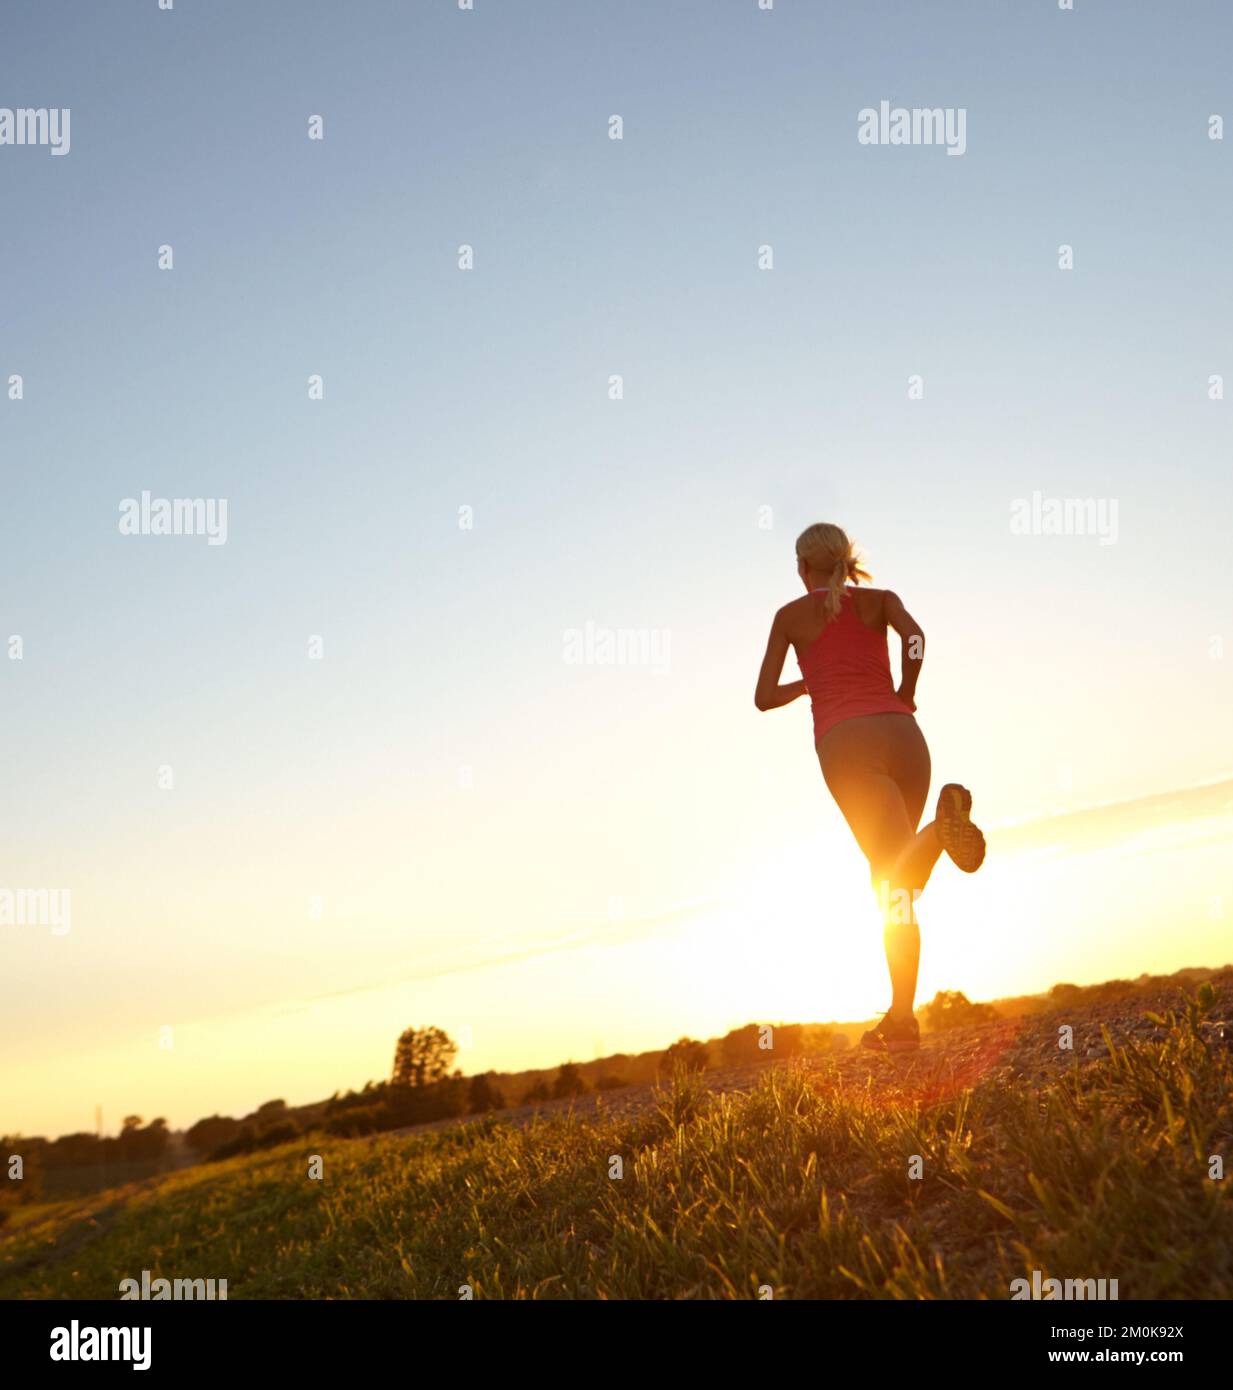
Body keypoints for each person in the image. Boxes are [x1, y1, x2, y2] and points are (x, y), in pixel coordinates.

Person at [753, 522, 985, 1052]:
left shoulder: (789, 617)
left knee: (894, 882)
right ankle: (901, 1021)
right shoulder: (881, 599)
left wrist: (810, 682)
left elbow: (764, 697)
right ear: (845, 558)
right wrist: (906, 689)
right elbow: (917, 637)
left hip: (846, 744)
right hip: (906, 735)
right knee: (898, 889)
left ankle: (936, 835)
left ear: (800, 566)